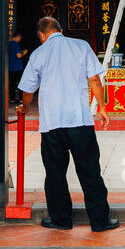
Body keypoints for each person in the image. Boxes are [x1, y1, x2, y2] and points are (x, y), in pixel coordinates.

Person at [17, 17, 118, 232]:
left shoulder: (38, 53)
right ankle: (99, 221)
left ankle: (61, 220)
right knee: (90, 171)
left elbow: (27, 90)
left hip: (52, 123)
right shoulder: (81, 46)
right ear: (60, 30)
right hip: (79, 120)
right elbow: (95, 80)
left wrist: (25, 108)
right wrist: (102, 108)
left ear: (41, 35)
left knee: (55, 174)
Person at [7, 31, 27, 105]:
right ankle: (21, 98)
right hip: (17, 67)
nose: (20, 39)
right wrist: (24, 52)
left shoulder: (8, 44)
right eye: (20, 38)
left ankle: (12, 98)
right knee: (20, 83)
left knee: (12, 83)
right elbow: (18, 55)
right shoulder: (16, 44)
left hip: (10, 67)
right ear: (18, 37)